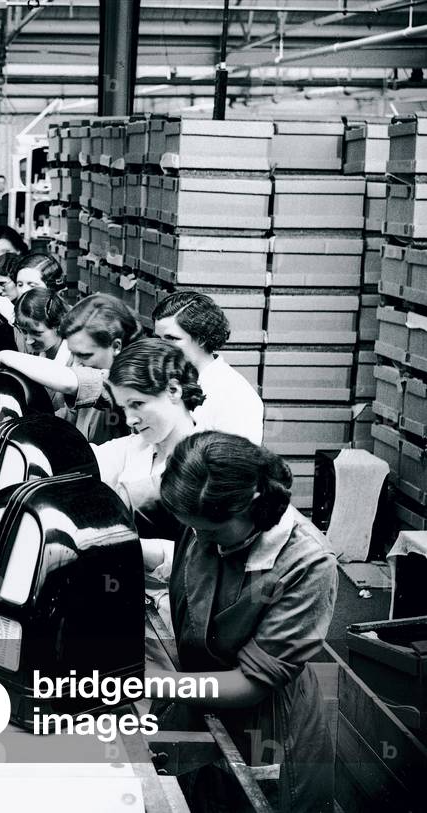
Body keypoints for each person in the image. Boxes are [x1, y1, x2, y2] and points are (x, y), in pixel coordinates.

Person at [146, 431, 338, 813]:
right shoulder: (207, 516)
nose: (199, 538)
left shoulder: (307, 564)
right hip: (197, 707)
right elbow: (195, 566)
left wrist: (148, 681)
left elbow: (250, 684)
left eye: (211, 530)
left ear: (253, 505)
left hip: (264, 732)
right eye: (192, 527)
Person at [0, 293, 138, 444]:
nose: (75, 363)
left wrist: (6, 356)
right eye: (74, 354)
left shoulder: (125, 380)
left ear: (116, 347)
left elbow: (71, 382)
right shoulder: (90, 373)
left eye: (85, 355)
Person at [92, 339, 201, 532]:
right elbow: (83, 463)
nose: (129, 420)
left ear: (173, 390)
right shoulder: (134, 447)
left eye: (137, 404)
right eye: (124, 408)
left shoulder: (206, 461)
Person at [152, 291, 264, 444]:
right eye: (158, 338)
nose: (161, 347)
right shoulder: (165, 379)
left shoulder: (234, 396)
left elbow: (237, 464)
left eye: (172, 338)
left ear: (201, 339)